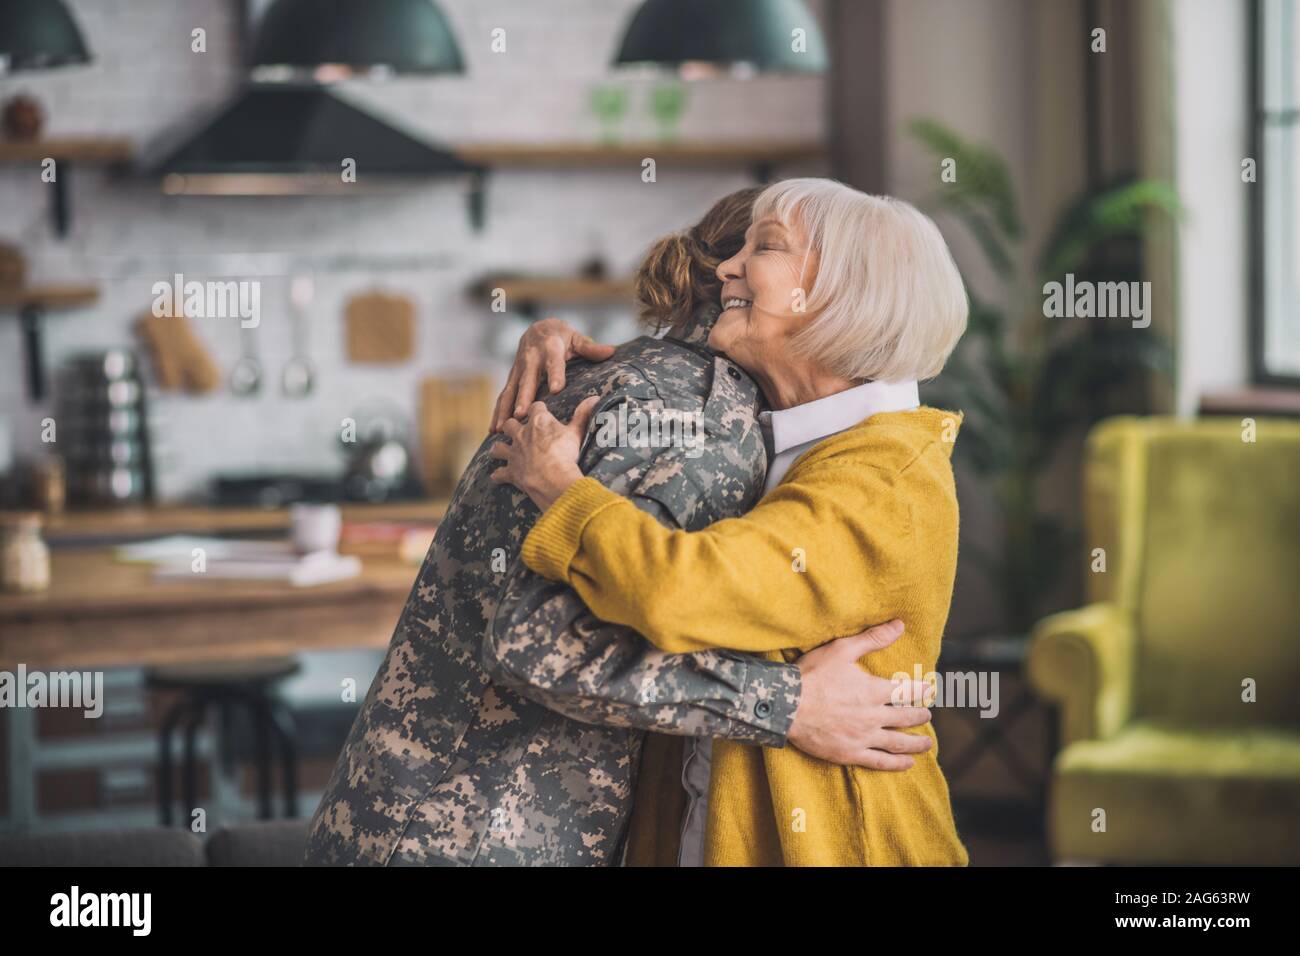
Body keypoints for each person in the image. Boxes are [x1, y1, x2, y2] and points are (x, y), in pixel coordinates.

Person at [303, 186, 935, 866]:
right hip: (482, 833)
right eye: (755, 249)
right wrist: (793, 706)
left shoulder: (627, 377)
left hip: (407, 814)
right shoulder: (699, 419)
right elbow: (538, 642)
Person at [491, 178, 971, 866]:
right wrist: (570, 341)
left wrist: (562, 491)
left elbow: (679, 591)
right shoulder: (792, 436)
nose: (726, 268)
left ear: (844, 295)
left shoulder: (885, 479)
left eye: (765, 247)